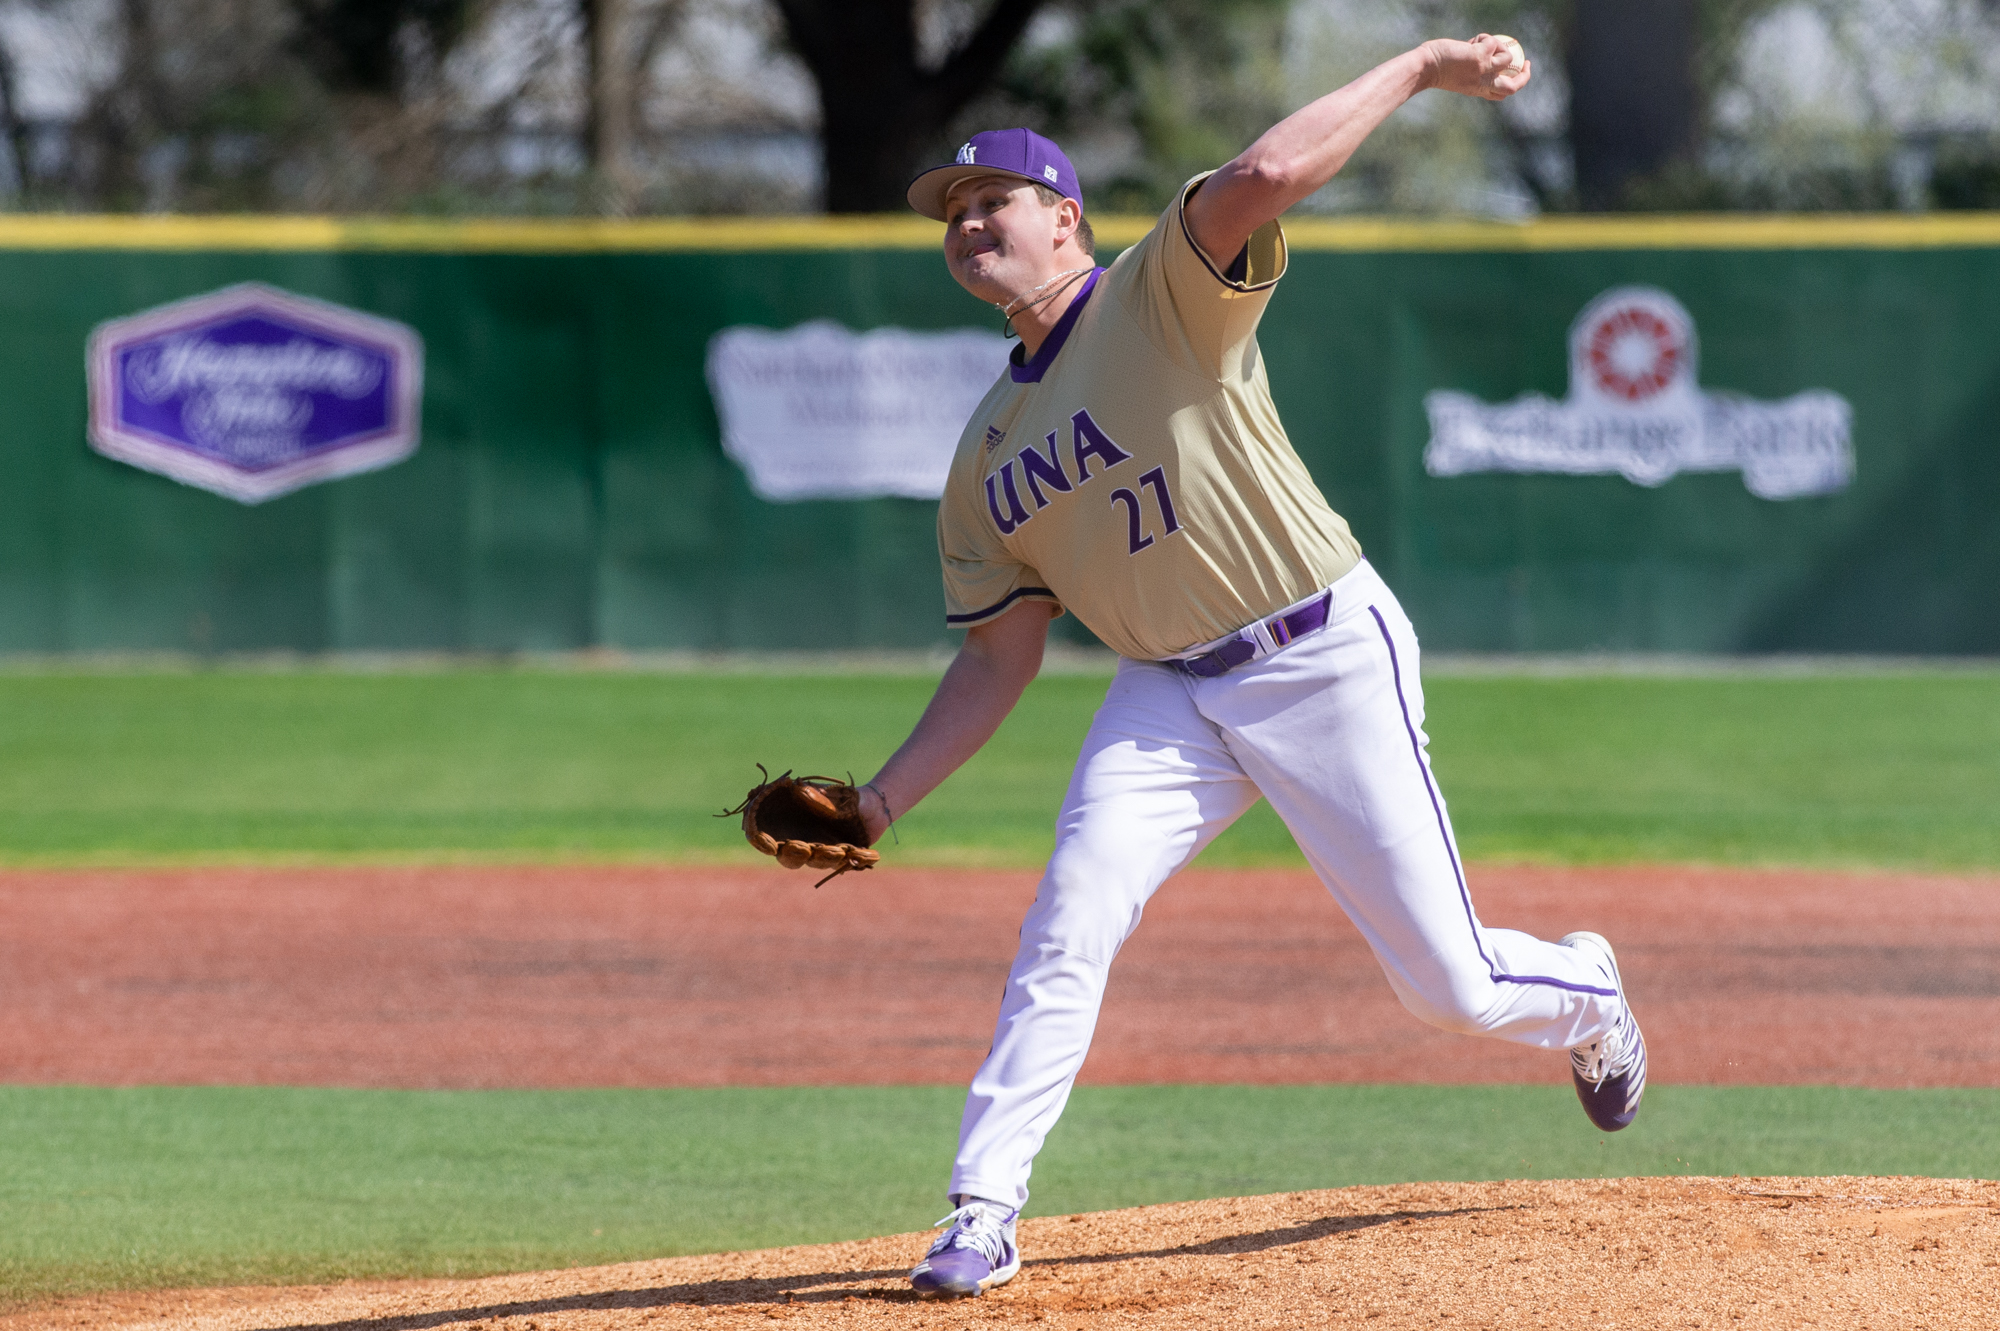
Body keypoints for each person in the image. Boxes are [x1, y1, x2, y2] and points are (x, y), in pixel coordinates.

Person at [852, 34, 1647, 1301]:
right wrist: (881, 799)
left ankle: (1588, 991)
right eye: (949, 213)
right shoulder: (983, 456)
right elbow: (998, 661)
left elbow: (1269, 168)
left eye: (986, 200)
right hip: (1166, 690)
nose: (963, 226)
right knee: (1066, 918)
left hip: (1319, 646)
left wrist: (1425, 65)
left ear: (1064, 217)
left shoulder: (1159, 287)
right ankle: (981, 1208)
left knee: (1445, 985)